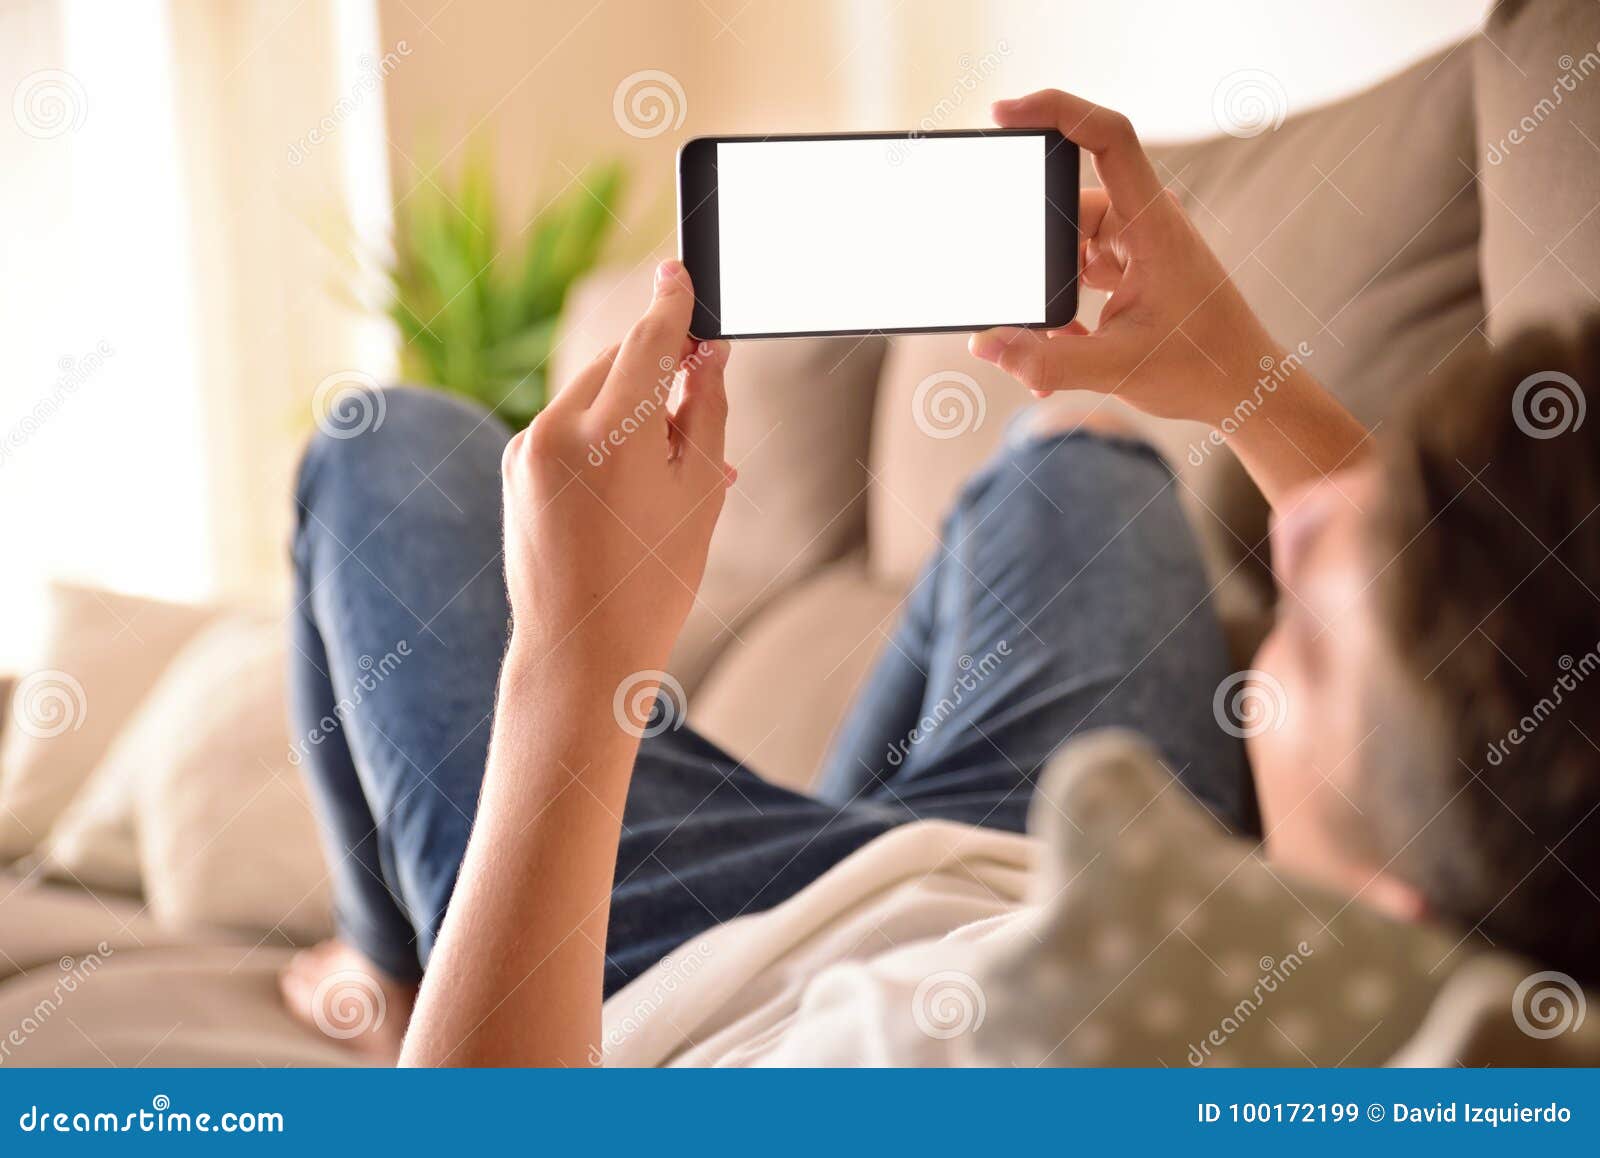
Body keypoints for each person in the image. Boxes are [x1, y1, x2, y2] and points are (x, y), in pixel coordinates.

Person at [278, 90, 1600, 1065]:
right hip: (1043, 840)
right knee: (1082, 443)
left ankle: (400, 976)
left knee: (388, 445)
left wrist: (574, 675)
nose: (1299, 531)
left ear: (1392, 930)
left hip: (662, 950)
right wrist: (1229, 365)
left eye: (1309, 638)